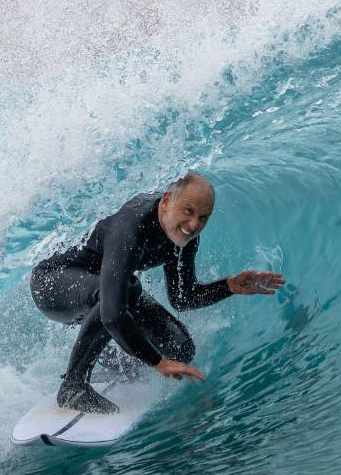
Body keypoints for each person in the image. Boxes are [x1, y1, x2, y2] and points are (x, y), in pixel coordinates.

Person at [30, 172, 285, 413]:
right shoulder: (129, 228)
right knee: (126, 293)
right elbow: (111, 314)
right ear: (166, 202)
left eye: (203, 217)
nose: (193, 224)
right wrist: (158, 363)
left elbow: (183, 297)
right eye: (188, 211)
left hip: (103, 291)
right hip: (54, 283)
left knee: (180, 347)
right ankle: (73, 387)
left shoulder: (183, 237)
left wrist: (229, 286)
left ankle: (116, 362)